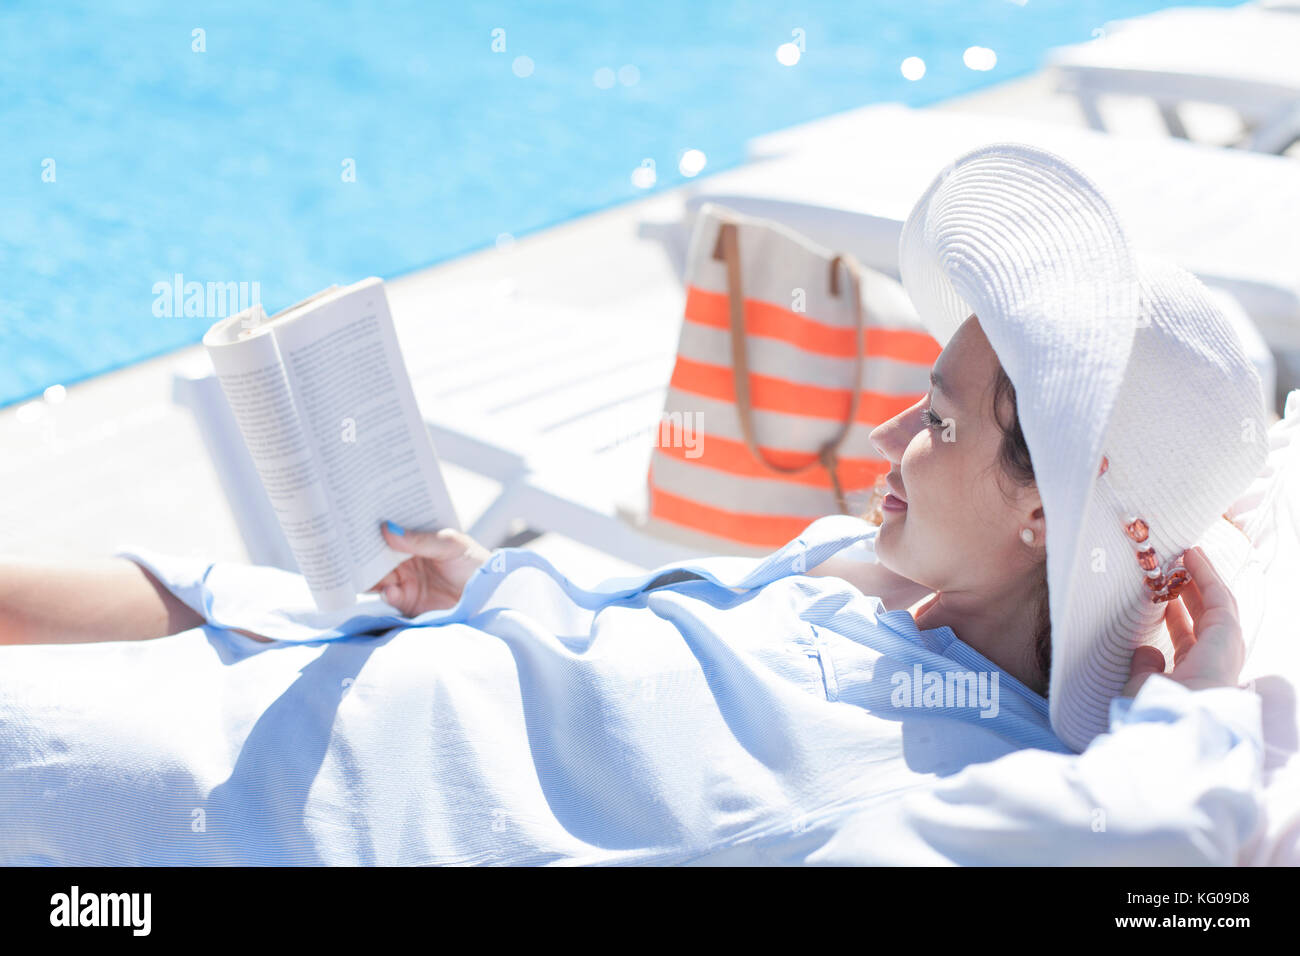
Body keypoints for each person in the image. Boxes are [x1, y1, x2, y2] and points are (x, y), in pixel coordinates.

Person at [0, 143, 1269, 865]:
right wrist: (490, 584)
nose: (885, 427)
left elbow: (1173, 831)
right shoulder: (871, 574)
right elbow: (649, 641)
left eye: (936, 419)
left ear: (1046, 514)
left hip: (243, 800)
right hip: (343, 656)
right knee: (201, 589)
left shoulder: (959, 786)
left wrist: (1204, 701)